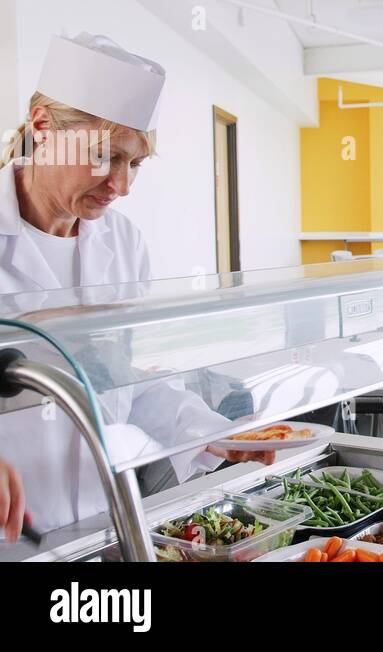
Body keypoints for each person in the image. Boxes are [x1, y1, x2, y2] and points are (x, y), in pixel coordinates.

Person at [0, 34, 272, 539]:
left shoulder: (122, 242)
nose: (122, 186)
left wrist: (211, 432)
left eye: (136, 163)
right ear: (42, 128)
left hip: (101, 518)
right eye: (105, 157)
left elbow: (127, 379)